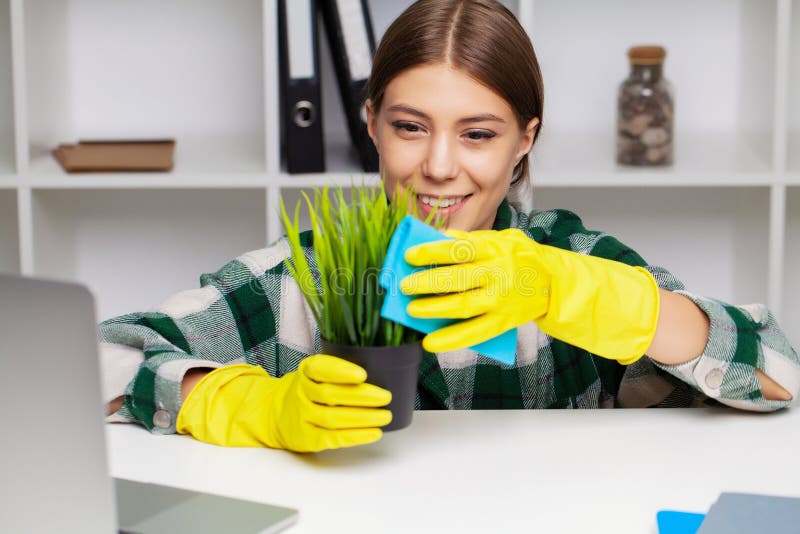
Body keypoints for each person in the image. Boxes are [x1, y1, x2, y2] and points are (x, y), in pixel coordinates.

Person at [103, 0, 799, 453]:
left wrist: (584, 296)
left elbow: (775, 375)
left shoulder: (574, 259)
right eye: (410, 127)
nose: (438, 167)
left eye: (477, 134)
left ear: (525, 140)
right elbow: (99, 363)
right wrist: (242, 404)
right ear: (372, 123)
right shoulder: (303, 279)